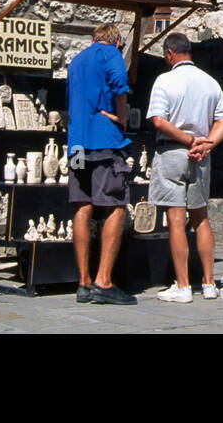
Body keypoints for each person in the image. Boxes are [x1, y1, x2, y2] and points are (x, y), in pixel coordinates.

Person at [147, 32, 223, 303]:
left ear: (170, 53)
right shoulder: (210, 82)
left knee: (175, 218)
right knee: (200, 217)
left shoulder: (165, 80)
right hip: (201, 156)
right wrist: (207, 144)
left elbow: (159, 121)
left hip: (173, 151)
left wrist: (188, 140)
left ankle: (183, 286)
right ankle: (209, 283)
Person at [66, 23, 135, 305]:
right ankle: (103, 281)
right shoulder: (111, 54)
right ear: (116, 41)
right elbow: (120, 84)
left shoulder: (76, 60)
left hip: (77, 143)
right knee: (115, 204)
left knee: (82, 205)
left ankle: (83, 281)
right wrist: (122, 118)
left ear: (92, 39)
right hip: (102, 140)